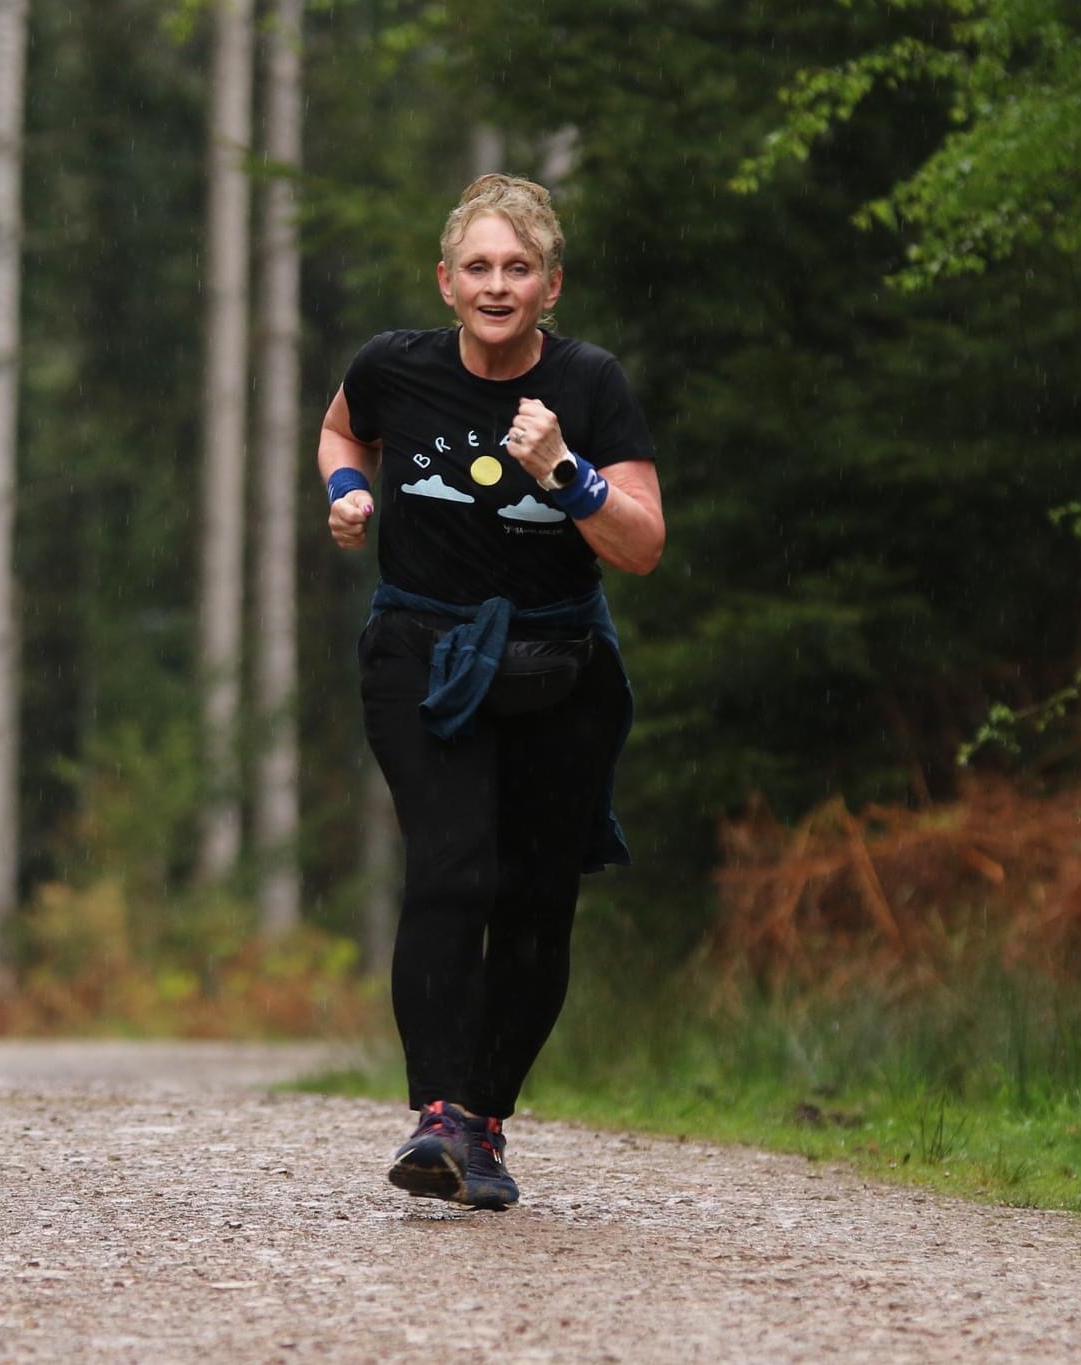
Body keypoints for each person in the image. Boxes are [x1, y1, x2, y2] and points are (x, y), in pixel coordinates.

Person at [317, 174, 666, 1209]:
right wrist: (345, 489)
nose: (496, 285)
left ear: (549, 287)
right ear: (445, 281)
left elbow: (640, 546)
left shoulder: (591, 386)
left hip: (559, 667)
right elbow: (344, 430)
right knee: (451, 868)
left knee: (533, 902)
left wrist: (569, 473)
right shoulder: (392, 366)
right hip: (419, 656)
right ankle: (433, 1115)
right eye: (478, 267)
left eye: (517, 269)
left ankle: (482, 1121)